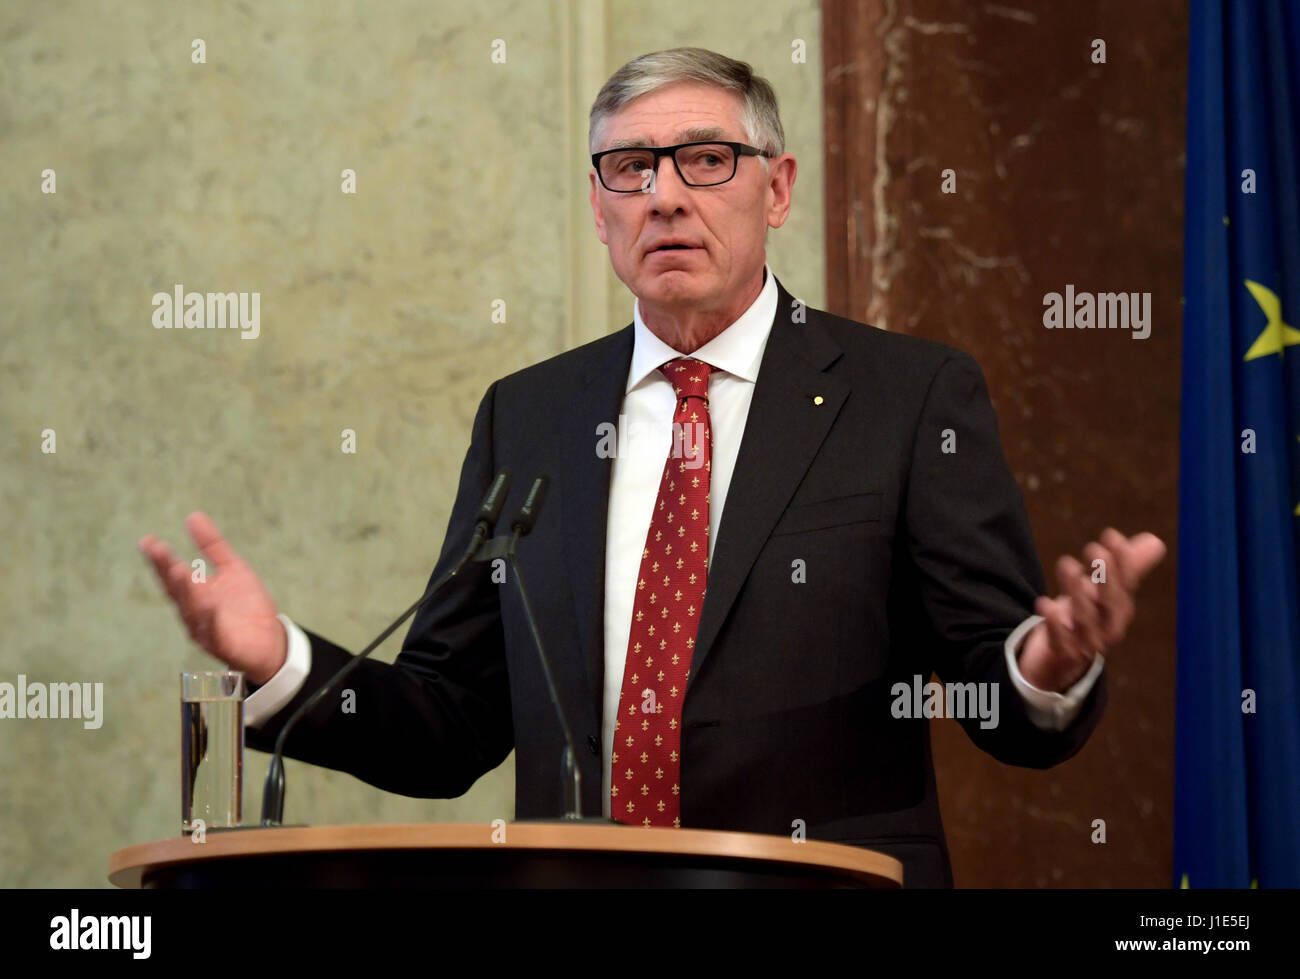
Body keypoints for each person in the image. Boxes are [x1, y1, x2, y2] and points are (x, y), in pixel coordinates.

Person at [139, 47, 1165, 887]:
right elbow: (449, 727)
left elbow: (1000, 688)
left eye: (705, 159)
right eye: (629, 167)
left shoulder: (906, 398)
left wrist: (1044, 665)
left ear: (779, 187)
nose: (664, 194)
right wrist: (279, 660)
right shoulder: (528, 415)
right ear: (598, 208)